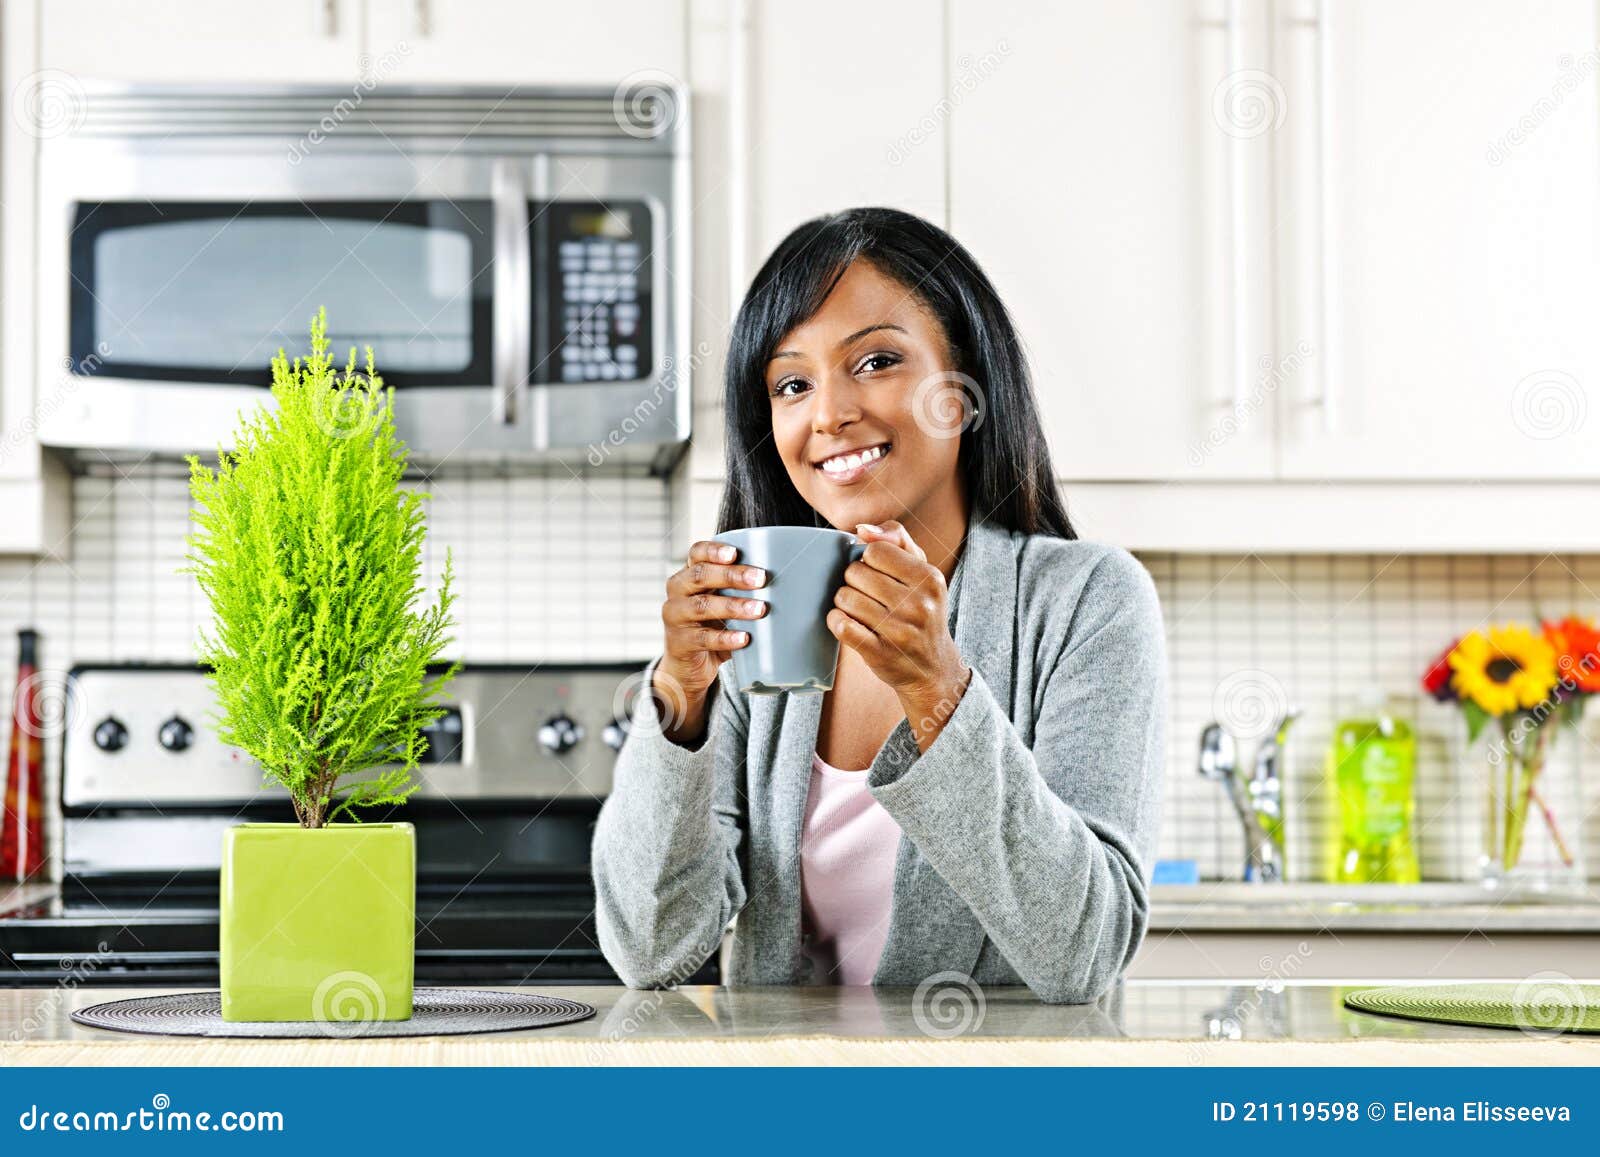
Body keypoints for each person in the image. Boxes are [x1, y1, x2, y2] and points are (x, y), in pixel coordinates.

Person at [592, 207, 1166, 1003]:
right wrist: (679, 703)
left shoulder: (1088, 602)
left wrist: (938, 692)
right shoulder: (759, 620)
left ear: (964, 391)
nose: (827, 414)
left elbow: (1083, 950)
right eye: (792, 383)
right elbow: (651, 952)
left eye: (874, 362)